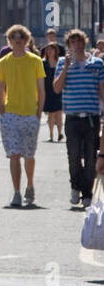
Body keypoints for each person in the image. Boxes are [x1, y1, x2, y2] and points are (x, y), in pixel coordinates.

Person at [0, 24, 45, 208]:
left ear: (26, 41)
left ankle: (29, 185)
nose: (18, 42)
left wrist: (38, 113)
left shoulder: (35, 61)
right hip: (11, 114)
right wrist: (2, 112)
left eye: (21, 39)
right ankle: (16, 192)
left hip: (30, 113)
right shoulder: (4, 62)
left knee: (28, 155)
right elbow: (0, 90)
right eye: (14, 39)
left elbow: (41, 89)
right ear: (10, 41)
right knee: (14, 155)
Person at [55, 30, 104, 208]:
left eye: (79, 41)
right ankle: (75, 187)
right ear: (69, 45)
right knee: (74, 156)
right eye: (72, 42)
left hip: (91, 118)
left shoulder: (97, 63)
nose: (76, 45)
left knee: (91, 157)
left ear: (84, 43)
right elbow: (57, 88)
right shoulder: (62, 63)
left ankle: (87, 193)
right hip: (73, 117)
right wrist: (66, 67)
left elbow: (102, 89)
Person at [41, 43, 64, 142]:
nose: (50, 51)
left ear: (56, 51)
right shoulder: (43, 63)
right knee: (51, 114)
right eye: (48, 50)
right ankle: (51, 135)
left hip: (58, 90)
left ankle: (59, 133)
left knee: (59, 113)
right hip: (48, 91)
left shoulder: (60, 62)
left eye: (52, 49)